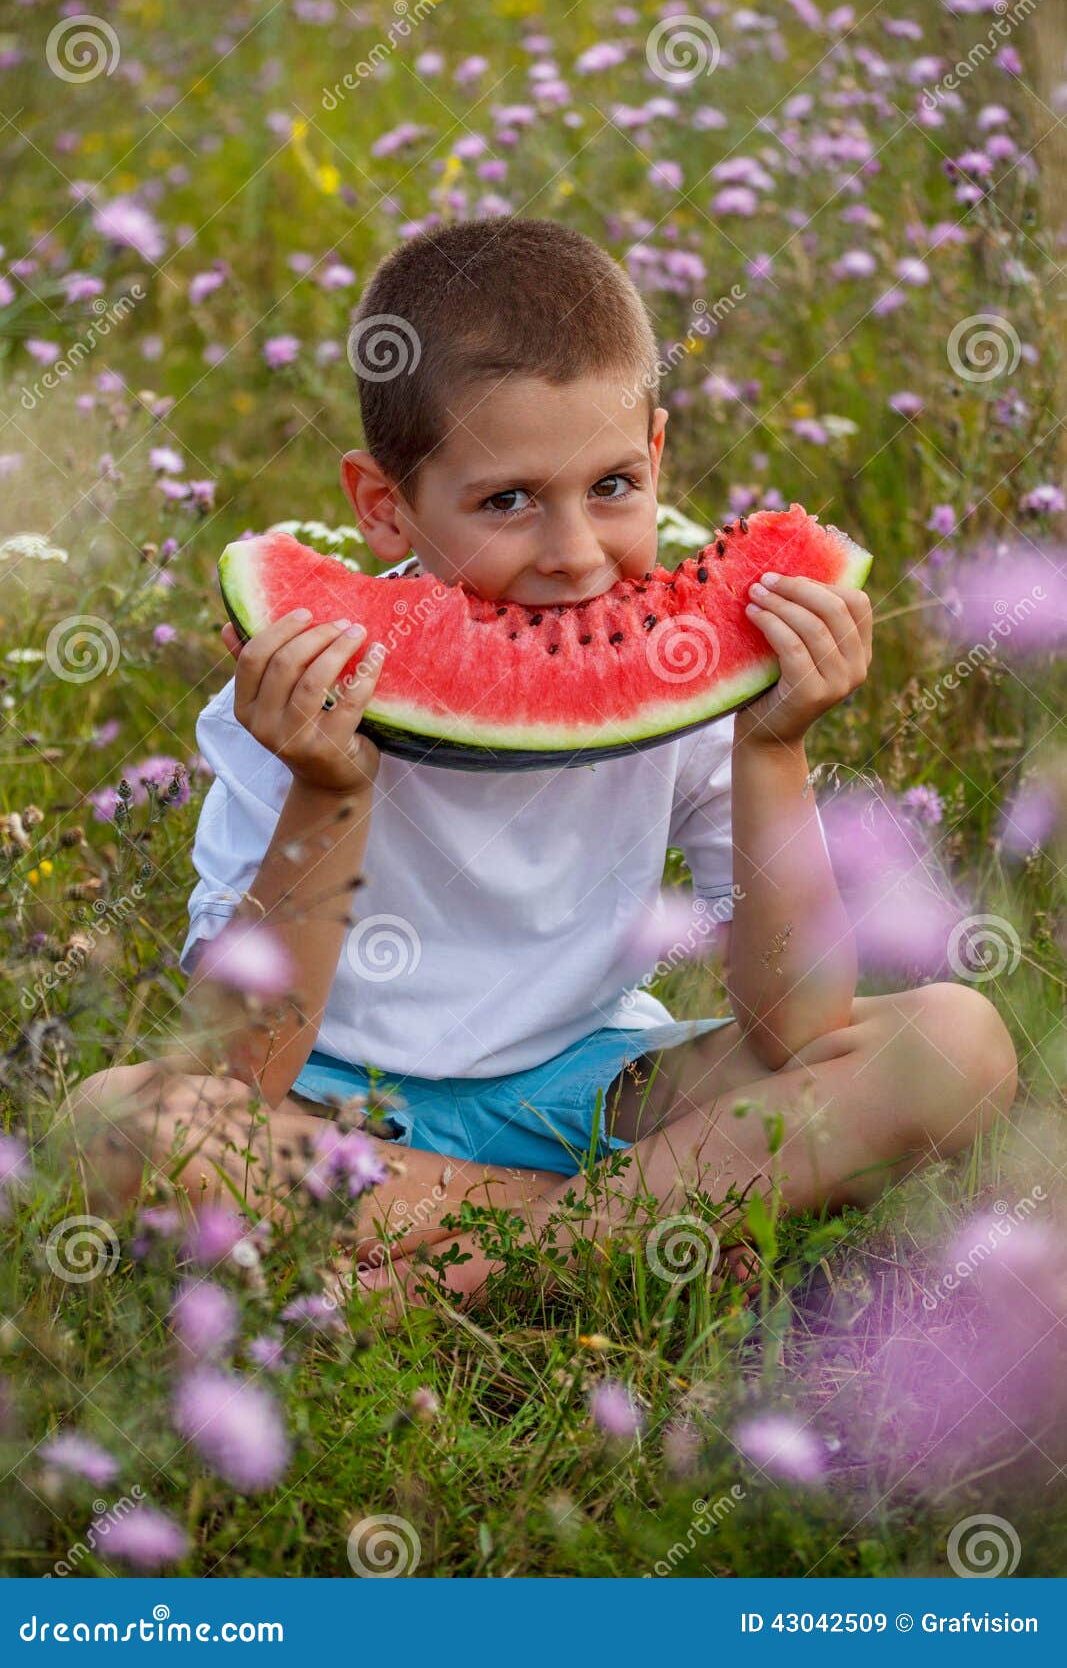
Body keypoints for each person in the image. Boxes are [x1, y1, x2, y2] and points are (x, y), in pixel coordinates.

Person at [68, 216, 1018, 1313]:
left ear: (657, 455)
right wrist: (330, 787)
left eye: (612, 485)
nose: (572, 553)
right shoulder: (286, 701)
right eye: (507, 501)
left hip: (591, 1092)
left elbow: (794, 1029)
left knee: (958, 1042)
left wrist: (773, 748)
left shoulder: (688, 674)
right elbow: (240, 1071)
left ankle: (448, 1269)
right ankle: (623, 1236)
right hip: (338, 1115)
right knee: (120, 1126)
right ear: (384, 506)